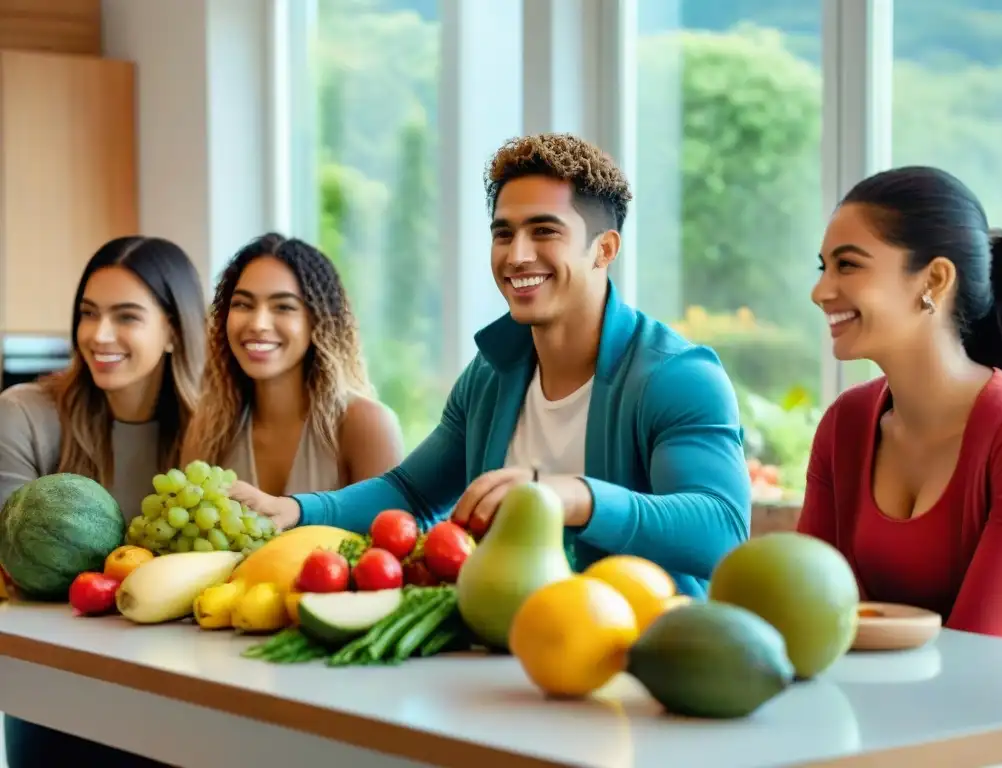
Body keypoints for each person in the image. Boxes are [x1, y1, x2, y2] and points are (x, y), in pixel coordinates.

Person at [232, 133, 751, 596]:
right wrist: (297, 510)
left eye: (544, 231)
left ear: (604, 249)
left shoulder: (677, 376)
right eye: (503, 233)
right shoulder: (489, 374)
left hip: (631, 658)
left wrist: (575, 496)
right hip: (498, 649)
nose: (517, 255)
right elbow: (411, 491)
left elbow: (721, 531)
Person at [0, 235, 206, 766]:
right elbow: (12, 568)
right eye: (88, 314)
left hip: (183, 688)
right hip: (55, 693)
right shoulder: (24, 414)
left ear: (174, 332)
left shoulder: (212, 432)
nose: (99, 335)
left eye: (127, 316)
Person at [798, 165, 1002, 639]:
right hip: (874, 705)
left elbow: (979, 655)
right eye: (824, 267)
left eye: (849, 265)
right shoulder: (845, 424)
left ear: (935, 279)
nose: (821, 291)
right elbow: (810, 614)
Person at [182, 233, 403, 494]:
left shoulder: (365, 424)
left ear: (317, 321)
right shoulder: (209, 428)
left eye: (283, 307)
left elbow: (390, 532)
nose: (257, 324)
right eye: (242, 304)